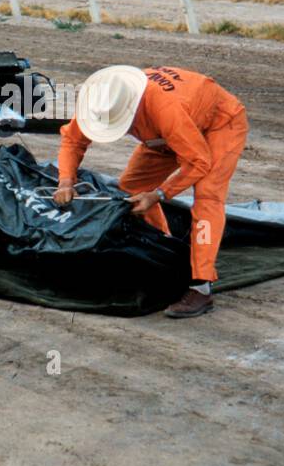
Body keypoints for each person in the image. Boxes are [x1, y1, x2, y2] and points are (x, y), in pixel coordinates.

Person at [54, 65, 248, 318]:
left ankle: (201, 287)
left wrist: (160, 194)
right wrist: (66, 180)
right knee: (132, 190)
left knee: (208, 197)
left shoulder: (163, 108)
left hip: (218, 124)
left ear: (130, 110)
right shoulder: (99, 98)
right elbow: (73, 140)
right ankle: (165, 253)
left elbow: (198, 162)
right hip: (164, 135)